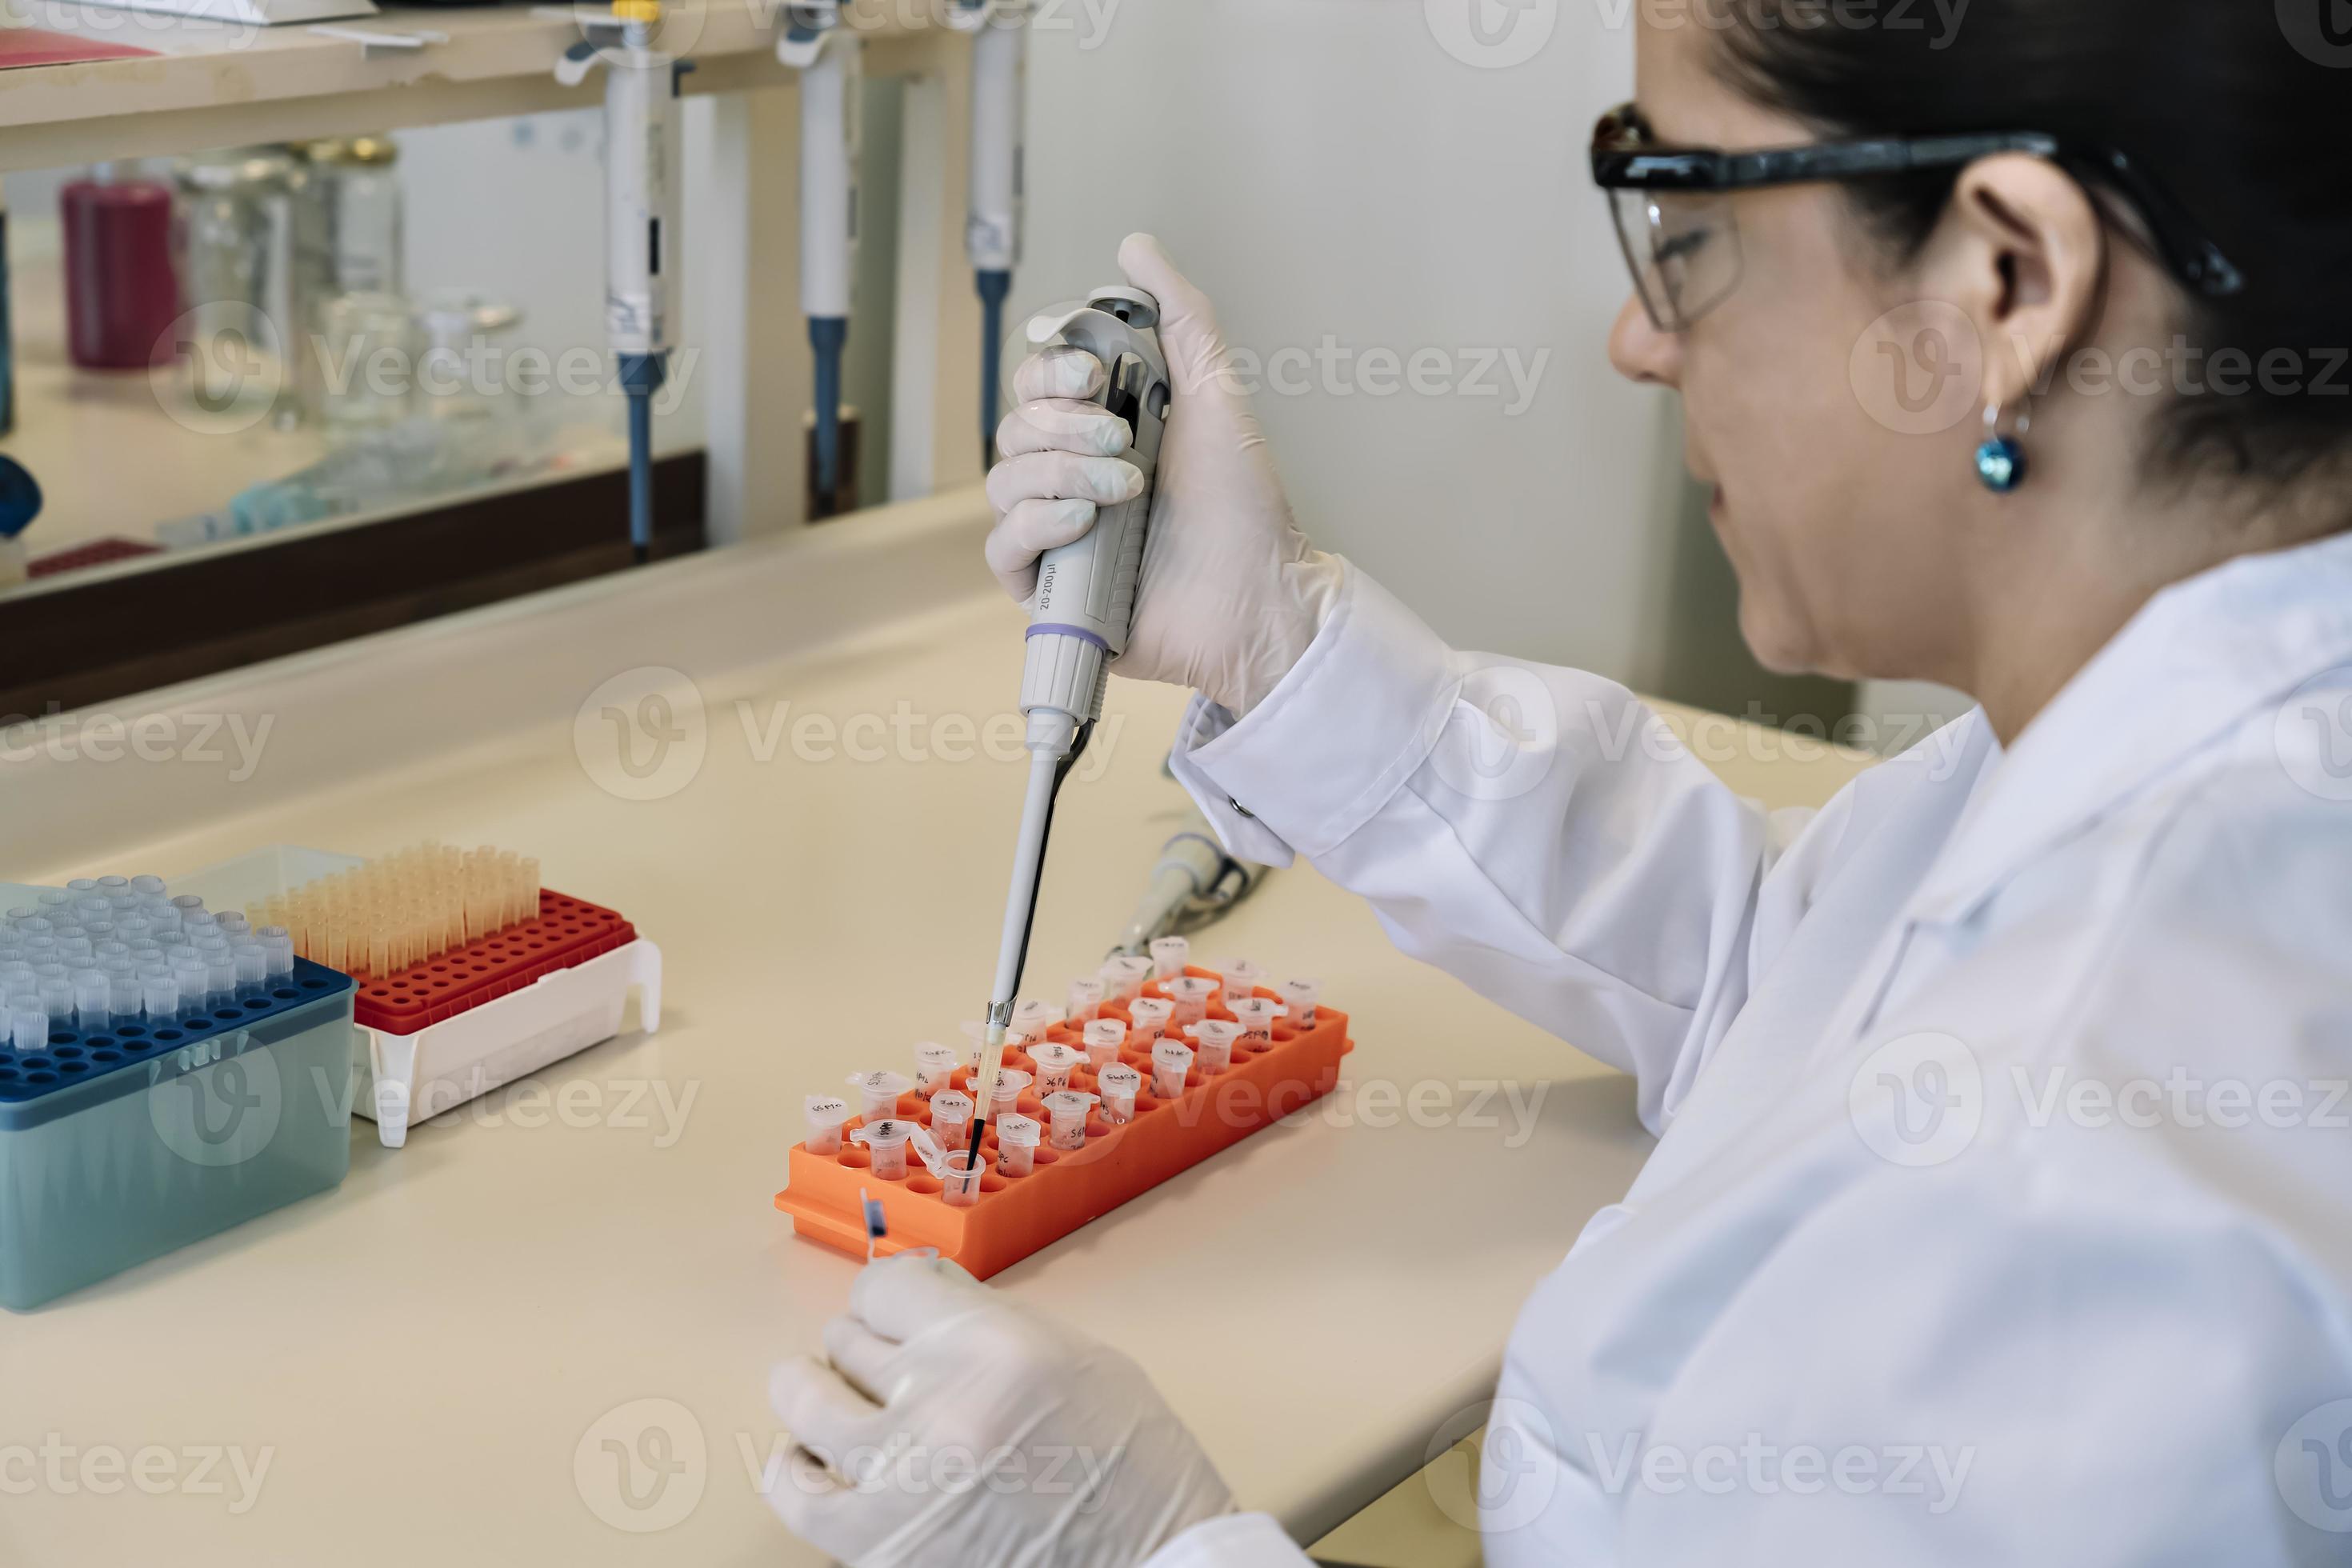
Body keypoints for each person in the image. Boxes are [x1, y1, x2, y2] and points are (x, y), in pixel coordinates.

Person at [769, 2, 2352, 1561]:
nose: (1638, 338)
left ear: (2008, 282)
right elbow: (1790, 978)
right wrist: (1276, 641)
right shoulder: (2188, 760)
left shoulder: (2090, 1195)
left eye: (1687, 227)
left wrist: (1140, 1547)